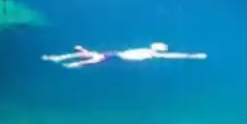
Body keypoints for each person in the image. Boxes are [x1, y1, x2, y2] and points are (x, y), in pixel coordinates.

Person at [42, 42, 207, 68]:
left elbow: (174, 55)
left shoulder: (153, 54)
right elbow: (172, 55)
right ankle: (69, 61)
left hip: (116, 56)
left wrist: (192, 56)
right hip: (116, 55)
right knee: (91, 58)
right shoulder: (152, 53)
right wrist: (193, 56)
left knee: (91, 57)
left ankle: (62, 58)